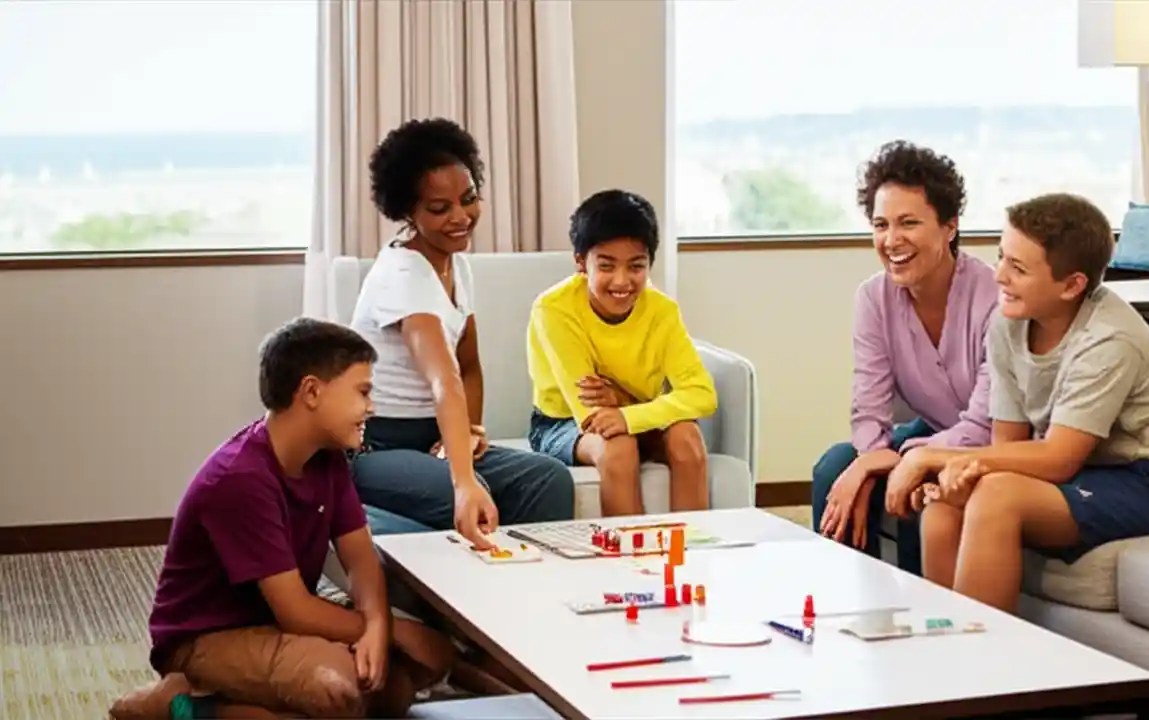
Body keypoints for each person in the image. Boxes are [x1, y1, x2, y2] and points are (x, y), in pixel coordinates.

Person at [110, 318, 453, 720]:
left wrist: (379, 623)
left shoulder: (327, 459)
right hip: (207, 635)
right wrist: (385, 631)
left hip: (274, 623)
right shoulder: (241, 478)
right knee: (339, 687)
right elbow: (296, 611)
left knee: (420, 663)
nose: (371, 407)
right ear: (311, 391)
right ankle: (180, 704)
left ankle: (229, 702)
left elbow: (360, 557)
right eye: (363, 391)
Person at [901, 193, 1149, 613]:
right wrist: (959, 472)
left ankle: (980, 664)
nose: (999, 276)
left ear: (1072, 285)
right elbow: (1008, 446)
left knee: (997, 495)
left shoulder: (1109, 340)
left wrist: (934, 456)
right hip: (1091, 472)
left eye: (1018, 267)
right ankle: (944, 646)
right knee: (945, 500)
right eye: (1001, 258)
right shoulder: (1007, 324)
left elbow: (1060, 458)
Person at [348, 118, 574, 549]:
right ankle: (465, 605)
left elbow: (468, 364)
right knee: (465, 497)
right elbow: (444, 378)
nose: (460, 217)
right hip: (373, 447)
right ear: (407, 211)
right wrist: (464, 479)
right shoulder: (403, 273)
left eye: (468, 199)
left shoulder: (458, 266)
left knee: (547, 479)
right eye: (439, 208)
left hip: (433, 436)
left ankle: (530, 594)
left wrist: (468, 430)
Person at [811, 140, 999, 576]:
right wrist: (872, 458)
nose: (891, 240)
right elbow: (868, 406)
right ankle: (853, 611)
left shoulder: (993, 300)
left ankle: (924, 630)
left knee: (921, 488)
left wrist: (909, 457)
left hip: (988, 446)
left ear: (949, 226)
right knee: (835, 468)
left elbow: (983, 425)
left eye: (908, 223)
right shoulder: (873, 298)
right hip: (931, 433)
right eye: (881, 224)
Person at [526, 189, 717, 516]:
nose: (622, 280)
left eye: (636, 266)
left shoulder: (662, 311)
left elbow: (703, 394)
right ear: (581, 263)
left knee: (687, 436)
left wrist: (624, 405)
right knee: (619, 446)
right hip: (561, 424)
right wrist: (626, 408)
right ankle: (630, 559)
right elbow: (590, 415)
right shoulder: (553, 309)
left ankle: (691, 552)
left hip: (638, 412)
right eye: (606, 265)